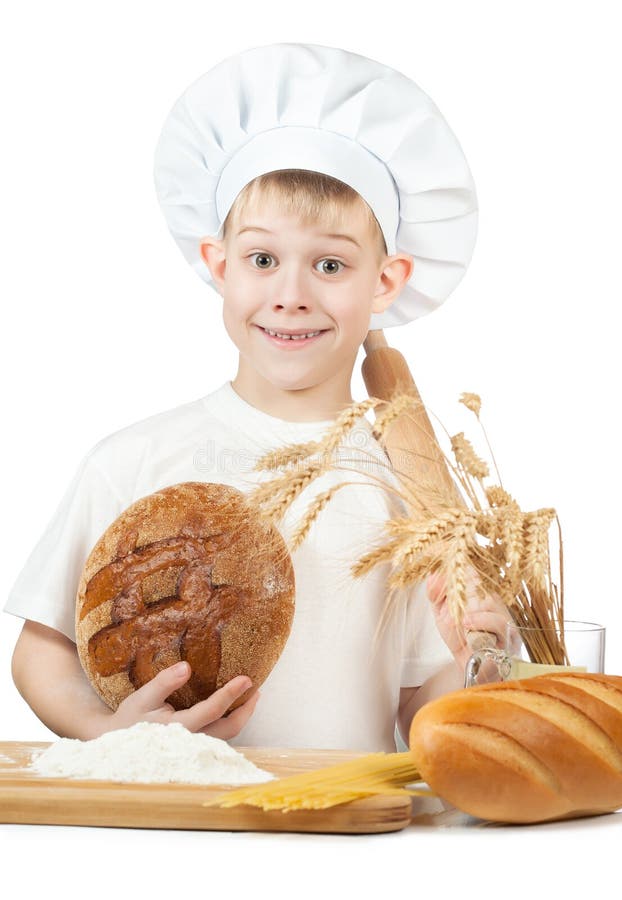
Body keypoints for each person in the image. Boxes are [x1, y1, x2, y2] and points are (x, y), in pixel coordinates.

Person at [6, 43, 511, 751]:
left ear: (386, 282)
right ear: (218, 264)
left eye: (330, 264)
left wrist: (477, 667)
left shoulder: (412, 492)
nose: (291, 296)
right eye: (263, 259)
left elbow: (420, 700)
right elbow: (43, 648)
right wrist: (107, 730)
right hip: (168, 832)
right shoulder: (135, 459)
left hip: (342, 831)